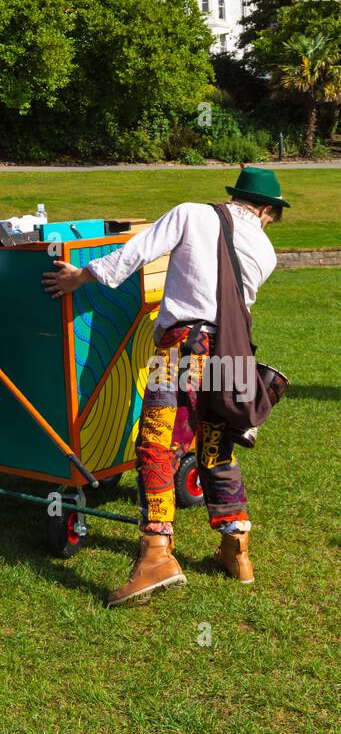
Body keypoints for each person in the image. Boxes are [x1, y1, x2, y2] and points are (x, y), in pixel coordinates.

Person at [42, 166, 288, 606]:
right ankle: (237, 550)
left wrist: (78, 277)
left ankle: (156, 553)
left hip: (182, 349)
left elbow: (133, 254)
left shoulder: (192, 213)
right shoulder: (266, 251)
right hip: (232, 361)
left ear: (236, 196)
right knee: (216, 449)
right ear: (267, 210)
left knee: (156, 445)